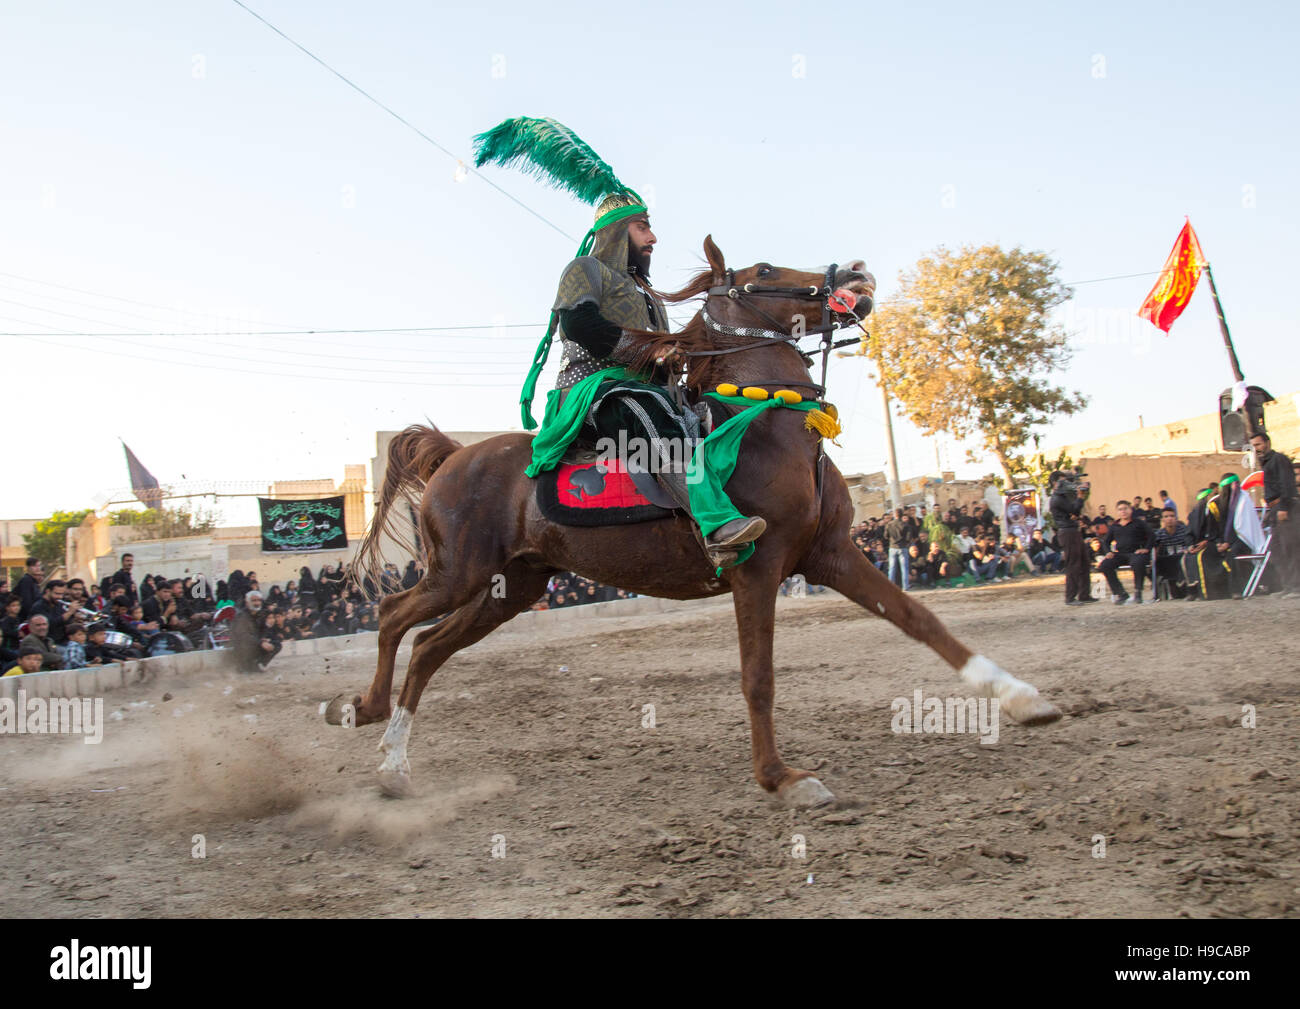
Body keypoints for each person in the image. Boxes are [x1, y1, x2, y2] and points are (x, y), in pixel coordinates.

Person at [1250, 432, 1298, 595]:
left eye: (1258, 445)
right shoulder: (1266, 463)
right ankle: (1287, 586)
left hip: (1285, 507)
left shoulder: (1279, 459)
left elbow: (1287, 483)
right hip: (1274, 509)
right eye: (1254, 446)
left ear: (1267, 443)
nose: (1256, 449)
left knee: (1290, 548)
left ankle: (1296, 587)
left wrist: (1284, 507)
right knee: (1277, 549)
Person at [1050, 469, 1097, 606]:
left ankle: (1084, 594)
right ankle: (1070, 597)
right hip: (1068, 532)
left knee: (1084, 563)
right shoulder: (1057, 499)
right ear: (1054, 483)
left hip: (1072, 531)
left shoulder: (1062, 496)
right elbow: (1074, 509)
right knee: (1074, 565)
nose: (1065, 483)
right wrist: (1080, 496)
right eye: (1062, 481)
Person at [1097, 500, 1155, 604]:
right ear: (1117, 512)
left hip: (1136, 553)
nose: (1123, 511)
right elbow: (1105, 541)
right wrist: (1108, 552)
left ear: (1130, 510)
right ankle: (1121, 593)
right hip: (1121, 554)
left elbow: (1152, 535)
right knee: (1104, 565)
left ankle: (1138, 592)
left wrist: (1146, 548)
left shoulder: (1139, 523)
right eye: (1120, 509)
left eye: (1125, 509)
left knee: (1137, 563)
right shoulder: (1114, 526)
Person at [1152, 507, 1194, 599]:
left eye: (1172, 516)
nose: (1169, 519)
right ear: (1162, 519)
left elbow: (1190, 544)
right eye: (1166, 516)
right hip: (1168, 564)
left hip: (1183, 561)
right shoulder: (1159, 534)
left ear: (1176, 518)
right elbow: (1155, 550)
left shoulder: (1184, 530)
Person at [885, 508, 912, 590]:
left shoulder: (889, 524)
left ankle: (890, 587)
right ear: (902, 515)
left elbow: (886, 536)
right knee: (904, 568)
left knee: (892, 568)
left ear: (895, 515)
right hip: (903, 547)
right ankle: (905, 586)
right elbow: (908, 538)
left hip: (892, 547)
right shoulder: (906, 525)